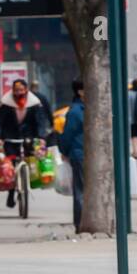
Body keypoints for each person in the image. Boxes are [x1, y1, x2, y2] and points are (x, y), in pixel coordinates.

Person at [0, 76, 51, 208]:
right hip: (10, 139)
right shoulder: (5, 104)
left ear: (27, 90)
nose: (19, 93)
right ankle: (11, 192)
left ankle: (28, 182)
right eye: (16, 90)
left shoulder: (35, 104)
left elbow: (40, 122)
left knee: (31, 162)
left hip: (29, 138)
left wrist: (41, 138)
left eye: (21, 90)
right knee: (11, 167)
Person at [57, 78, 86, 231]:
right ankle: (79, 224)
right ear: (80, 92)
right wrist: (65, 151)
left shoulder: (84, 108)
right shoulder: (75, 112)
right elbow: (67, 134)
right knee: (80, 191)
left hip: (84, 154)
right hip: (79, 154)